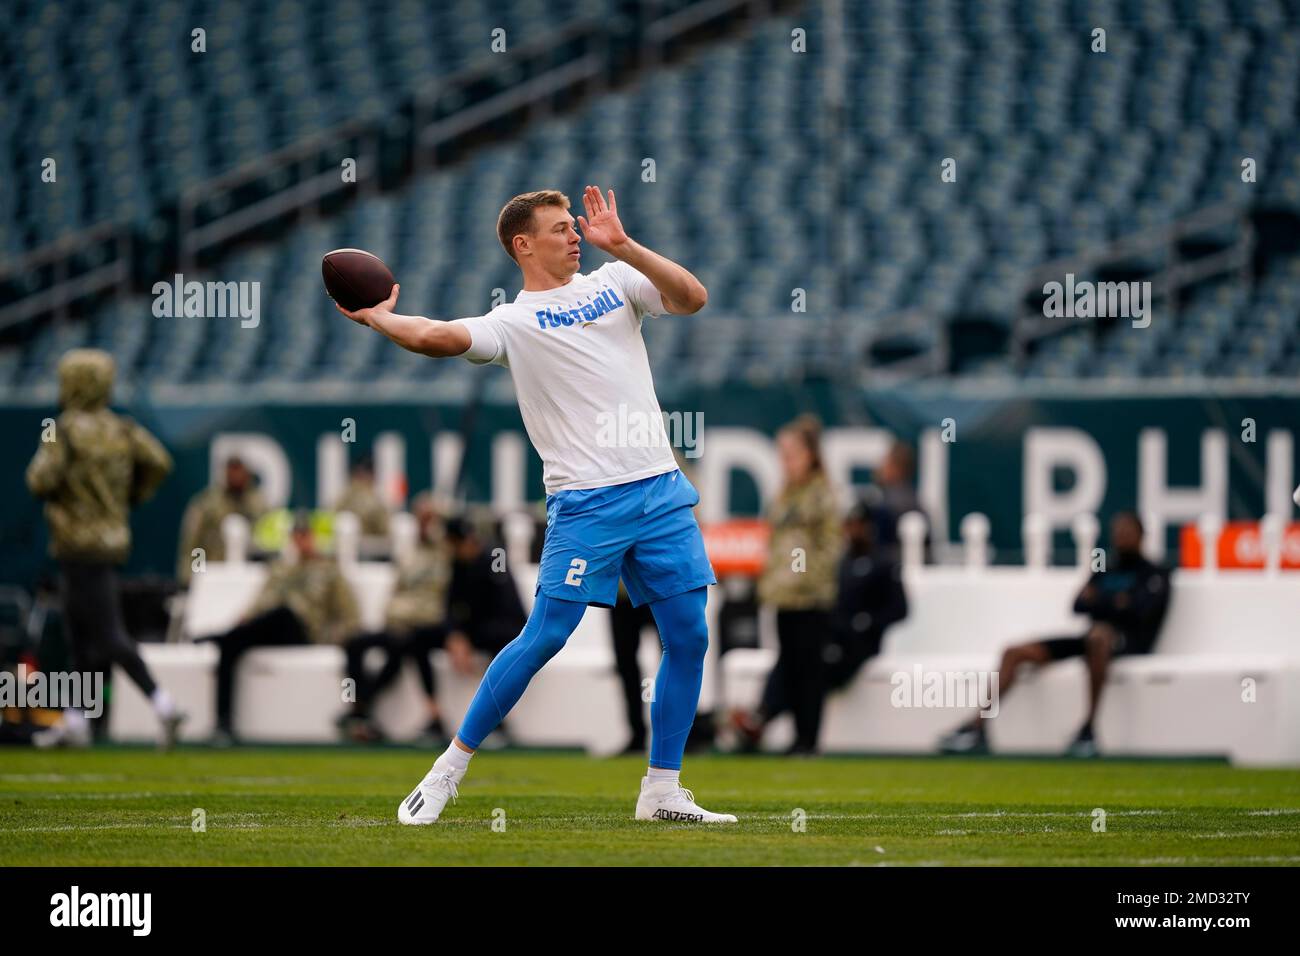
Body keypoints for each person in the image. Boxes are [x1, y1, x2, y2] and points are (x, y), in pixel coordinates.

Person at [335, 185, 730, 824]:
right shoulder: (513, 322)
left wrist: (624, 243)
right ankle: (445, 773)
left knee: (689, 637)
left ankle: (661, 791)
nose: (575, 235)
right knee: (545, 634)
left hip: (658, 486)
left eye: (575, 226)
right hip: (586, 502)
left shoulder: (618, 278)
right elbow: (435, 336)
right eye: (559, 229)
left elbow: (693, 298)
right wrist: (378, 316)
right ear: (523, 245)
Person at [25, 349, 184, 748]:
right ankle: (77, 720)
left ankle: (163, 703)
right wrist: (129, 496)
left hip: (77, 542)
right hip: (111, 538)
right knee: (80, 633)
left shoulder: (64, 429)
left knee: (108, 633)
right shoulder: (122, 428)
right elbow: (160, 462)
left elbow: (39, 481)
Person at [939, 511, 1171, 757]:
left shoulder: (1154, 571)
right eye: (1117, 531)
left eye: (1127, 531)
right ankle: (978, 726)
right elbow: (1078, 604)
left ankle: (1088, 730)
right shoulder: (1103, 562)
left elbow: (1142, 612)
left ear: (1141, 535)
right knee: (1014, 652)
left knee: (1100, 637)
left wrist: (1103, 602)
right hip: (1090, 637)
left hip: (1129, 641)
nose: (1121, 537)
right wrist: (1117, 602)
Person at [733, 500, 907, 751]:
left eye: (860, 525)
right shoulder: (842, 561)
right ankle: (761, 716)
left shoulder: (883, 563)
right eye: (851, 525)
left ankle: (776, 725)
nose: (854, 530)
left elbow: (899, 609)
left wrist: (867, 622)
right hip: (833, 636)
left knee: (811, 668)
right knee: (792, 659)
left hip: (860, 644)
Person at [204, 514, 360, 743]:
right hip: (270, 629)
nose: (301, 540)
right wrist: (242, 623)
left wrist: (330, 638)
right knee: (231, 646)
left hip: (303, 632)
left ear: (314, 538)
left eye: (305, 535)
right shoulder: (279, 570)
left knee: (284, 613)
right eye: (296, 535)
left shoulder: (329, 571)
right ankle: (223, 723)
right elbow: (257, 607)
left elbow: (350, 617)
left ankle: (216, 637)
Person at [747, 416, 844, 755]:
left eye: (791, 454)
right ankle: (791, 734)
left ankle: (808, 738)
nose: (785, 461)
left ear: (810, 455)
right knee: (789, 663)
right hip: (782, 596)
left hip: (810, 598)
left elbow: (831, 545)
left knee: (809, 669)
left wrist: (806, 578)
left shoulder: (821, 495)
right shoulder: (785, 494)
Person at [339, 493, 453, 743]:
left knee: (401, 648)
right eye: (420, 518)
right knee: (354, 643)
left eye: (428, 519)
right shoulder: (409, 554)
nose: (423, 525)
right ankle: (358, 704)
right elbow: (396, 591)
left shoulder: (445, 554)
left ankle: (360, 710)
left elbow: (439, 598)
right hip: (396, 624)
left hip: (423, 626)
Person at [176, 455, 268, 585]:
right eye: (232, 469)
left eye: (239, 469)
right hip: (213, 575)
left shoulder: (259, 505)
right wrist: (197, 576)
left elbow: (268, 544)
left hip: (249, 577)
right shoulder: (208, 504)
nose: (235, 475)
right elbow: (196, 546)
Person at [334, 457, 391, 538]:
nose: (363, 478)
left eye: (367, 474)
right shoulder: (346, 496)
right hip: (349, 543)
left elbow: (384, 526)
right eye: (360, 474)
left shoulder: (377, 497)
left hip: (374, 542)